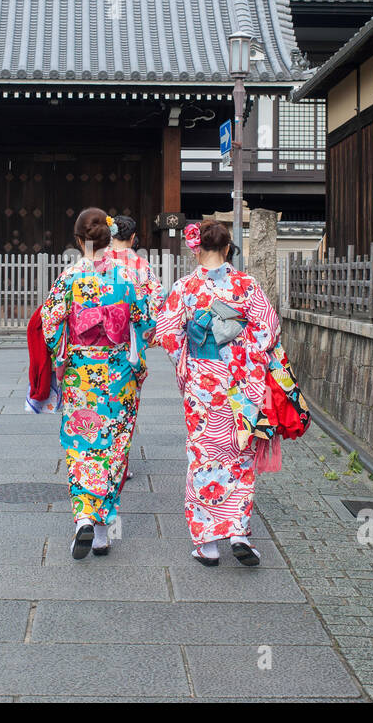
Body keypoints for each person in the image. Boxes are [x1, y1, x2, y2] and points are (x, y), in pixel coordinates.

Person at [155, 219, 280, 567]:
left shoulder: (185, 288)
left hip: (204, 385)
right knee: (241, 455)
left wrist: (189, 365)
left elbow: (167, 334)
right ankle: (238, 531)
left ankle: (208, 543)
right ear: (227, 249)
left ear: (197, 249)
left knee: (203, 455)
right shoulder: (247, 285)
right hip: (243, 384)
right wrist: (244, 355)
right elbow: (268, 330)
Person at [40, 208, 157, 559]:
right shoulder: (128, 276)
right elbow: (147, 321)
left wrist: (62, 353)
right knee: (114, 447)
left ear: (79, 241)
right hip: (119, 375)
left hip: (81, 375)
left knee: (82, 444)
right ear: (110, 237)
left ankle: (83, 520)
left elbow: (49, 327)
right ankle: (103, 532)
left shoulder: (69, 277)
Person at [96, 215, 164, 485]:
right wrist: (146, 336)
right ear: (134, 237)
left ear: (110, 235)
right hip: (128, 347)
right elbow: (154, 305)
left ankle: (95, 461)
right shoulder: (141, 266)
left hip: (94, 347)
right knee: (125, 408)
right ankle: (119, 465)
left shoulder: (95, 263)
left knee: (98, 402)